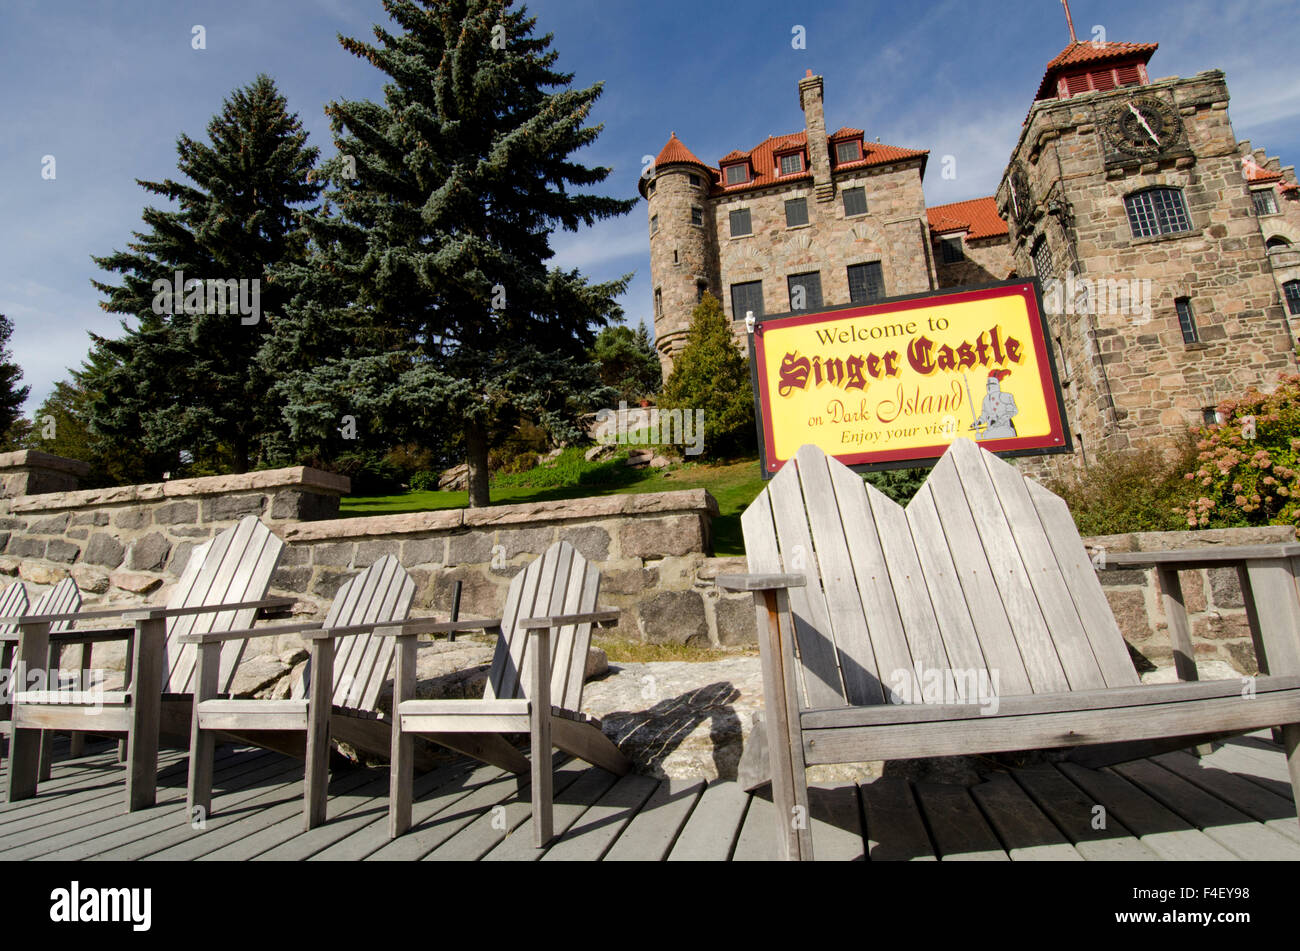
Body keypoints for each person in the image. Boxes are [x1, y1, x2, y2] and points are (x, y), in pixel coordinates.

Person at [974, 369, 1018, 441]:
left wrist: (1001, 421)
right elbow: (984, 414)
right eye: (987, 385)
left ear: (996, 385)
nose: (989, 387)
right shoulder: (985, 399)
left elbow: (1013, 411)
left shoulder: (1005, 396)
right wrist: (979, 421)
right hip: (991, 428)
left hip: (1005, 426)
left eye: (991, 385)